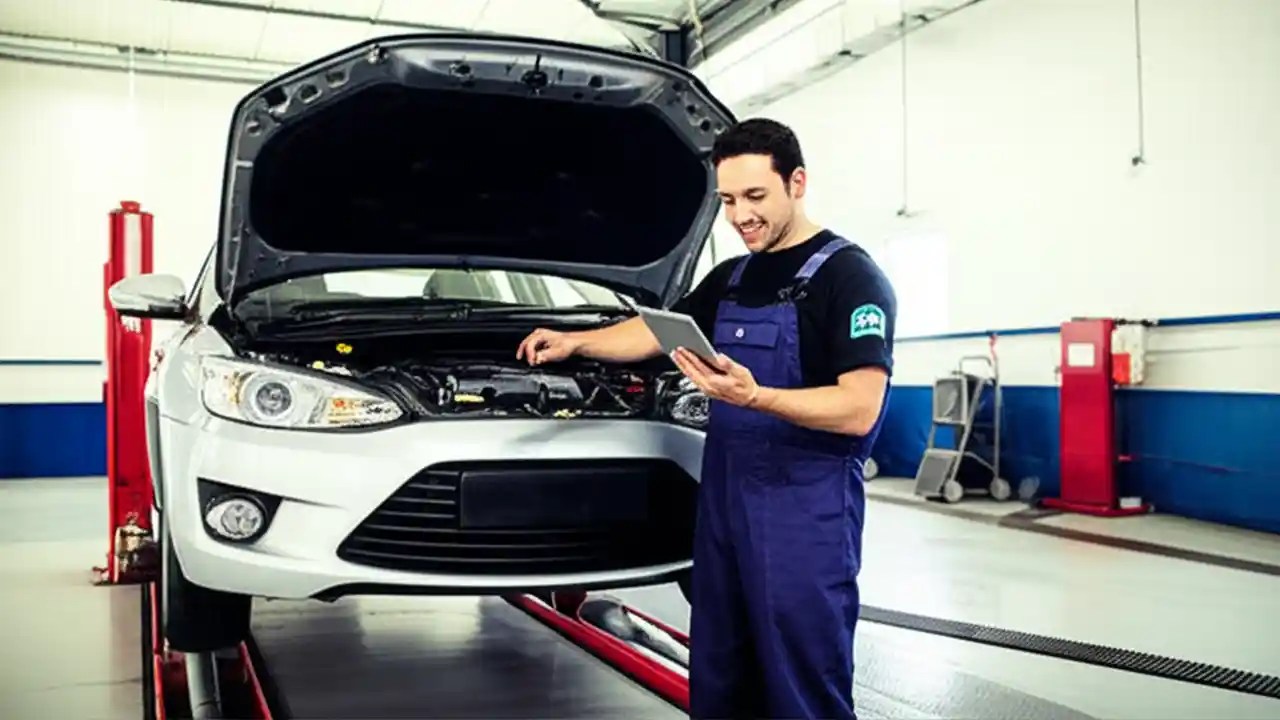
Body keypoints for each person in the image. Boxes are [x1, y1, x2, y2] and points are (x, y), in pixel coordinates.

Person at [515, 118, 896, 720]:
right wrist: (577, 341)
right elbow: (653, 333)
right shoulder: (732, 279)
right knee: (720, 674)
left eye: (755, 196)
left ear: (797, 183)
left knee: (802, 680)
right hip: (724, 505)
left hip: (805, 515)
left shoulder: (850, 278)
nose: (740, 216)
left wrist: (756, 396)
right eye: (728, 200)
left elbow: (859, 408)